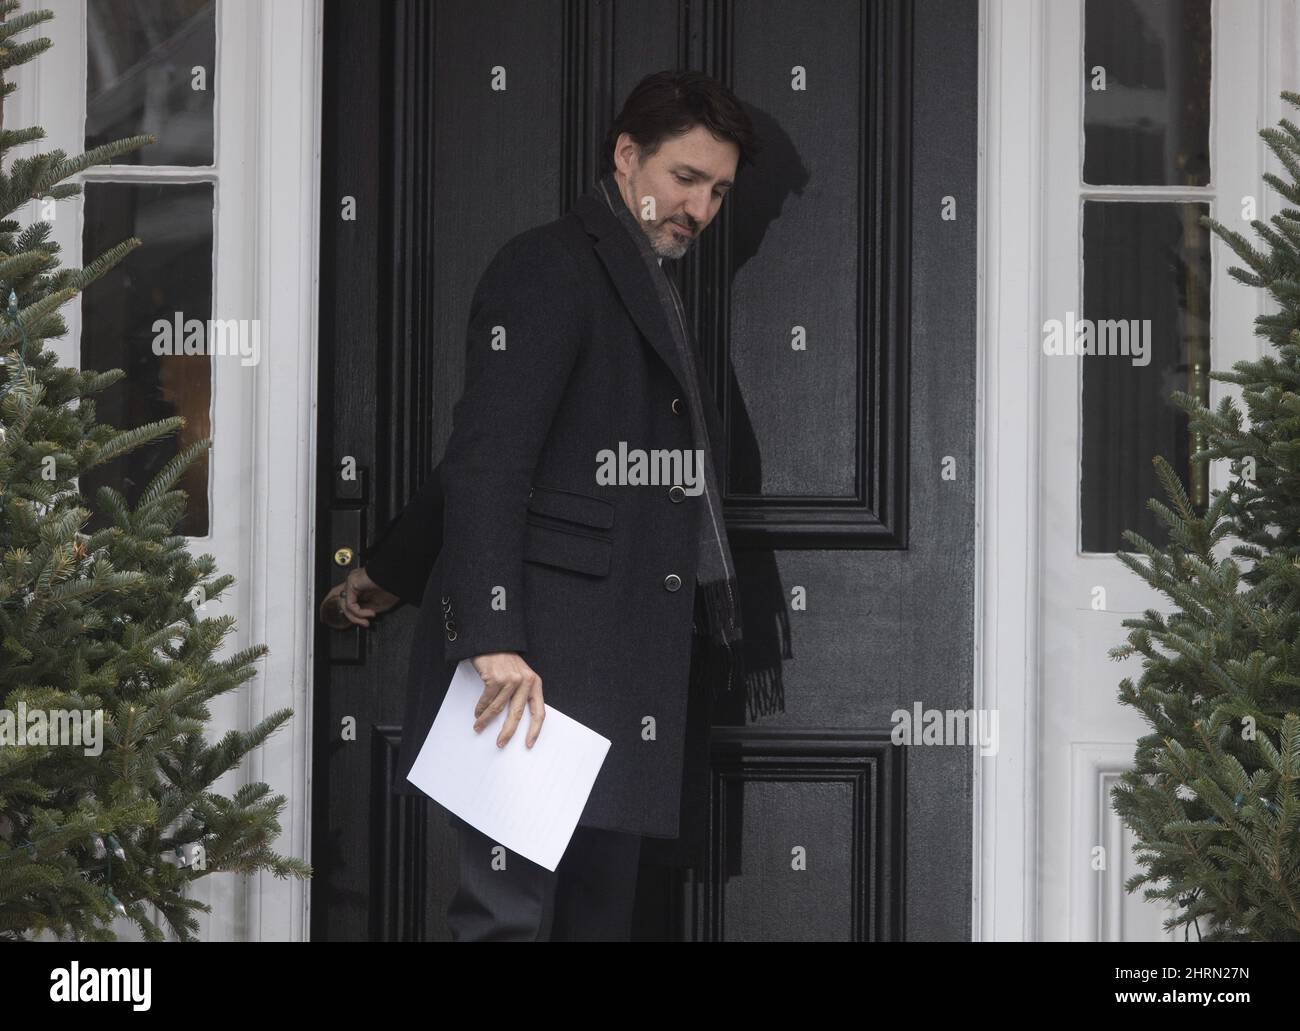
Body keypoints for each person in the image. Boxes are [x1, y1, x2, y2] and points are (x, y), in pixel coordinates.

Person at [320, 70, 761, 940]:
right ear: (626, 154)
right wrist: (492, 636)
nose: (701, 210)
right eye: (685, 178)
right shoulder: (550, 266)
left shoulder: (643, 279)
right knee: (508, 921)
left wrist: (392, 568)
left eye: (717, 191)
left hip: (617, 661)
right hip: (532, 665)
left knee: (593, 924)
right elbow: (490, 458)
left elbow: (476, 458)